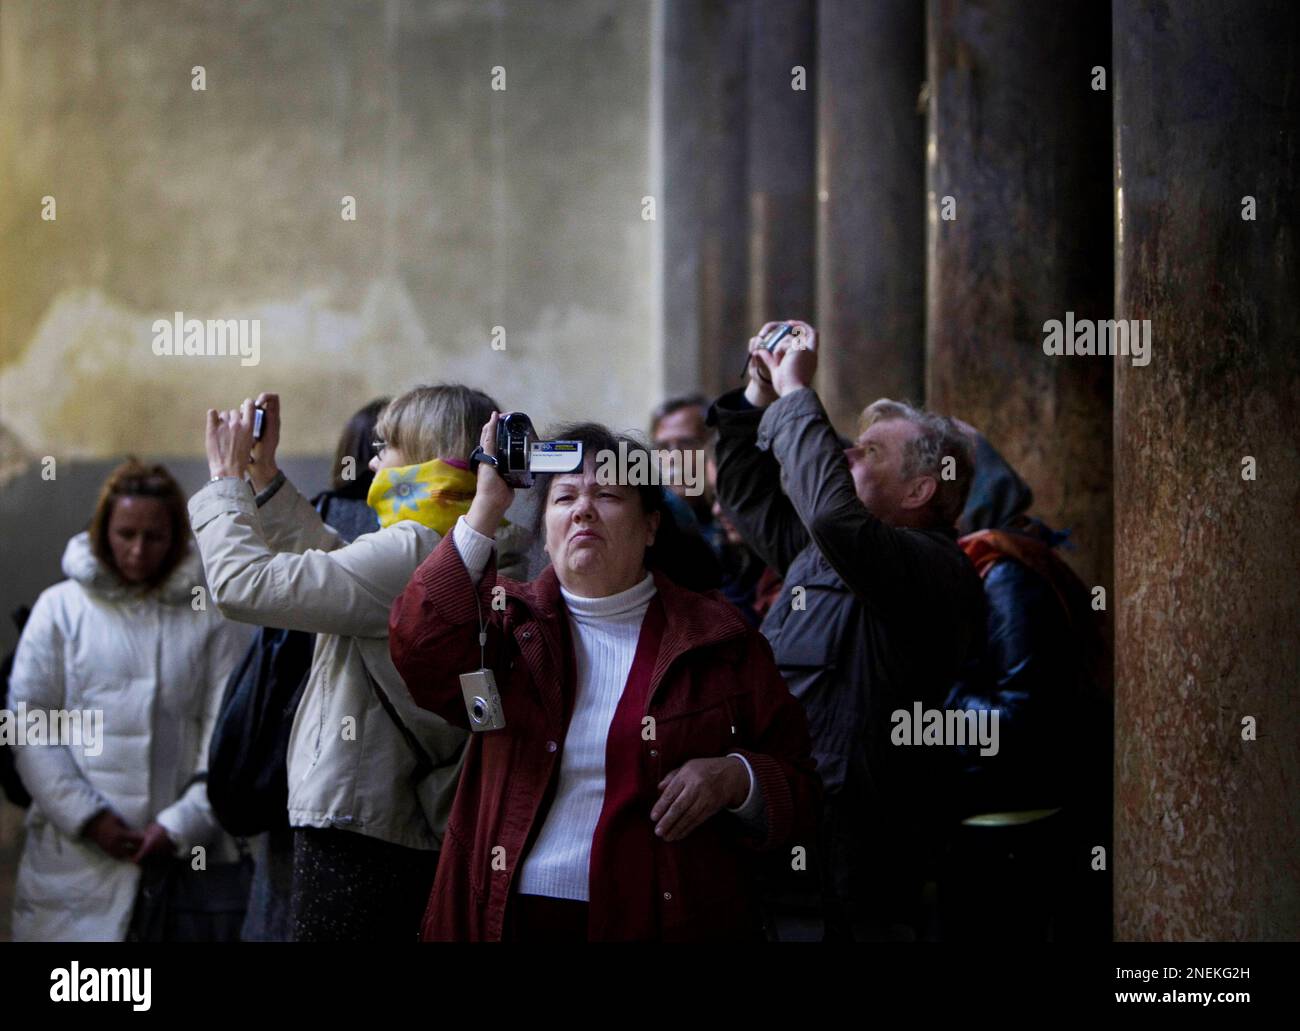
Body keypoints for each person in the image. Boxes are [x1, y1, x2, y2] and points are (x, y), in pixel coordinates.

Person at [389, 417, 820, 942]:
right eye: (564, 498)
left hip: (660, 917)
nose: (583, 509)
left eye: (608, 494)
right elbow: (420, 650)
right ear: (544, 533)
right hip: (507, 913)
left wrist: (734, 777)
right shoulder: (505, 623)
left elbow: (800, 787)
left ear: (650, 526)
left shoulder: (718, 641)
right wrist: (485, 508)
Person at [189, 385, 528, 942]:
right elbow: (334, 566)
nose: (372, 460)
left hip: (359, 826)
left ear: (426, 451)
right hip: (397, 822)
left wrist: (226, 481)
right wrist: (265, 477)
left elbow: (242, 586)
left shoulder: (416, 549)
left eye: (386, 446)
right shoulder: (466, 542)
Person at [709, 320, 985, 940]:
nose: (848, 453)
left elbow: (833, 517)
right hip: (784, 814)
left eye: (870, 451)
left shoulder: (934, 567)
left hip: (858, 847)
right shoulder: (829, 552)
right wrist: (759, 397)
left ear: (919, 488)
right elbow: (747, 496)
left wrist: (798, 394)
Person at [10, 459, 250, 941]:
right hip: (73, 859)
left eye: (154, 537)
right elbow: (29, 724)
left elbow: (225, 732)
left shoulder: (208, 615)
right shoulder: (61, 607)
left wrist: (182, 824)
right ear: (103, 532)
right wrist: (88, 818)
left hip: (182, 861)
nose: (138, 550)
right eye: (125, 534)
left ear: (176, 538)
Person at [238, 397, 388, 943]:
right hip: (364, 781)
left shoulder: (363, 527)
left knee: (290, 906)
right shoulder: (425, 535)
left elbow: (243, 589)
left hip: (304, 752)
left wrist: (231, 477)